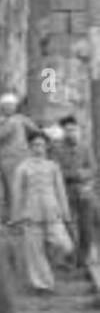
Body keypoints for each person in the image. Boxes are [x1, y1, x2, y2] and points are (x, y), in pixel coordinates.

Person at [12, 131, 74, 293]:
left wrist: (65, 214)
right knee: (34, 252)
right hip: (31, 214)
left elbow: (60, 191)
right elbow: (17, 193)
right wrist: (16, 216)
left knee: (65, 245)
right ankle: (43, 285)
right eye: (34, 145)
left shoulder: (53, 166)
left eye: (41, 145)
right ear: (29, 147)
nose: (38, 148)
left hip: (52, 212)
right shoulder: (22, 168)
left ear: (46, 146)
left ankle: (52, 264)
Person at [54, 115, 97, 269]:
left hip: (85, 191)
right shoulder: (57, 149)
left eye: (73, 130)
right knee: (68, 226)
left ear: (78, 130)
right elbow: (56, 171)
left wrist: (83, 176)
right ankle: (72, 256)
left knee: (86, 227)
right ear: (63, 132)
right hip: (66, 192)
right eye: (67, 130)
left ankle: (83, 259)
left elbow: (93, 169)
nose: (71, 133)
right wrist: (74, 174)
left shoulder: (85, 147)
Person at [0, 94, 37, 207]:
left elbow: (35, 130)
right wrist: (6, 124)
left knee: (25, 186)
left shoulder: (20, 118)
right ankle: (13, 215)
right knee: (11, 187)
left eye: (13, 105)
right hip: (7, 158)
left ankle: (24, 213)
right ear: (2, 107)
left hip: (24, 156)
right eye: (8, 105)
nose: (11, 108)